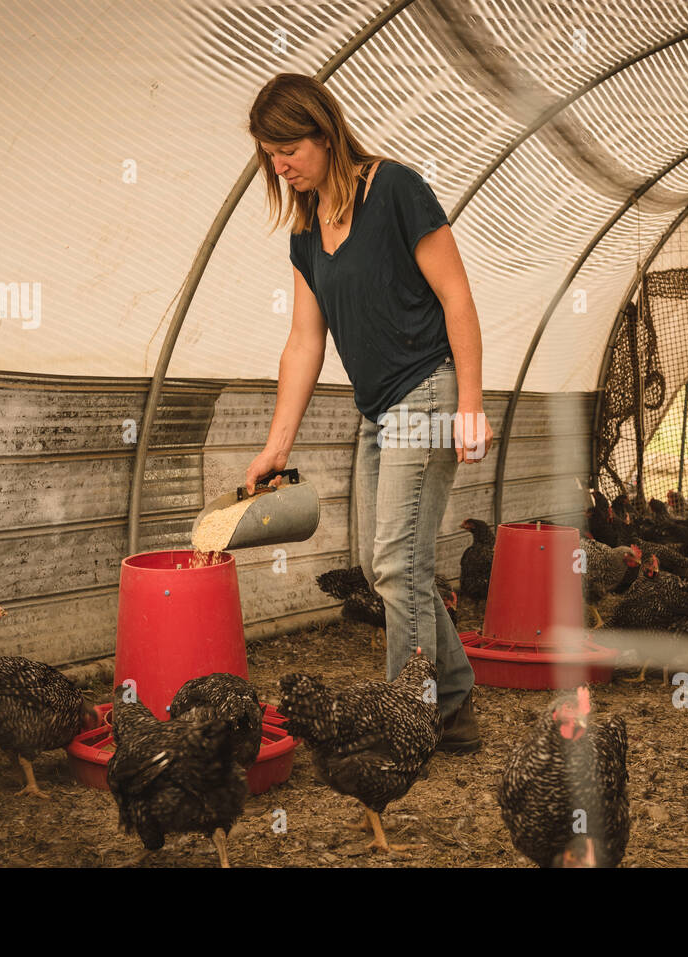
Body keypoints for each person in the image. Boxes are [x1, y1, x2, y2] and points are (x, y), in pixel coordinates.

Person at [244, 74, 493, 753]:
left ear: (325, 133)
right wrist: (275, 446)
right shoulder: (304, 232)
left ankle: (401, 725)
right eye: (269, 154)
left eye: (288, 148)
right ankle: (454, 702)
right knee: (386, 562)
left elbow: (458, 297)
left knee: (395, 564)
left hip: (429, 389)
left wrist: (471, 403)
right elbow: (303, 342)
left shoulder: (397, 191)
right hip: (380, 409)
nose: (278, 165)